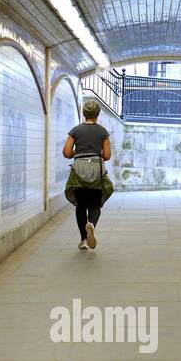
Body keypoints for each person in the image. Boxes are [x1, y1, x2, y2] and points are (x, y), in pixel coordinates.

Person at [63, 100, 111, 250]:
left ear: (84, 113)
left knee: (81, 206)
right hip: (96, 170)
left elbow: (66, 152)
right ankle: (91, 225)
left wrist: (77, 152)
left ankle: (84, 240)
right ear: (97, 114)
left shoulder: (75, 131)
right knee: (95, 205)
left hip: (79, 170)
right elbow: (107, 155)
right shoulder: (103, 132)